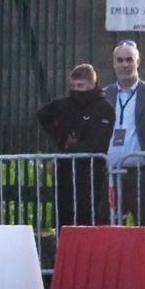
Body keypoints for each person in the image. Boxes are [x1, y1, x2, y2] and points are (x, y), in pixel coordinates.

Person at [36, 63, 113, 228]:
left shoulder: (104, 108)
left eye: (81, 86)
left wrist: (69, 149)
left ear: (93, 84)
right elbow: (43, 115)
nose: (77, 91)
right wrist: (61, 139)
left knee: (89, 218)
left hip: (91, 173)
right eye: (74, 86)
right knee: (65, 217)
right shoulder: (67, 104)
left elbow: (97, 144)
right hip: (66, 172)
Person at [104, 42, 145, 254]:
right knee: (110, 226)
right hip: (110, 174)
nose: (125, 65)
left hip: (140, 173)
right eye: (120, 60)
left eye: (129, 60)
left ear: (138, 62)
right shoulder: (105, 94)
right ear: (114, 64)